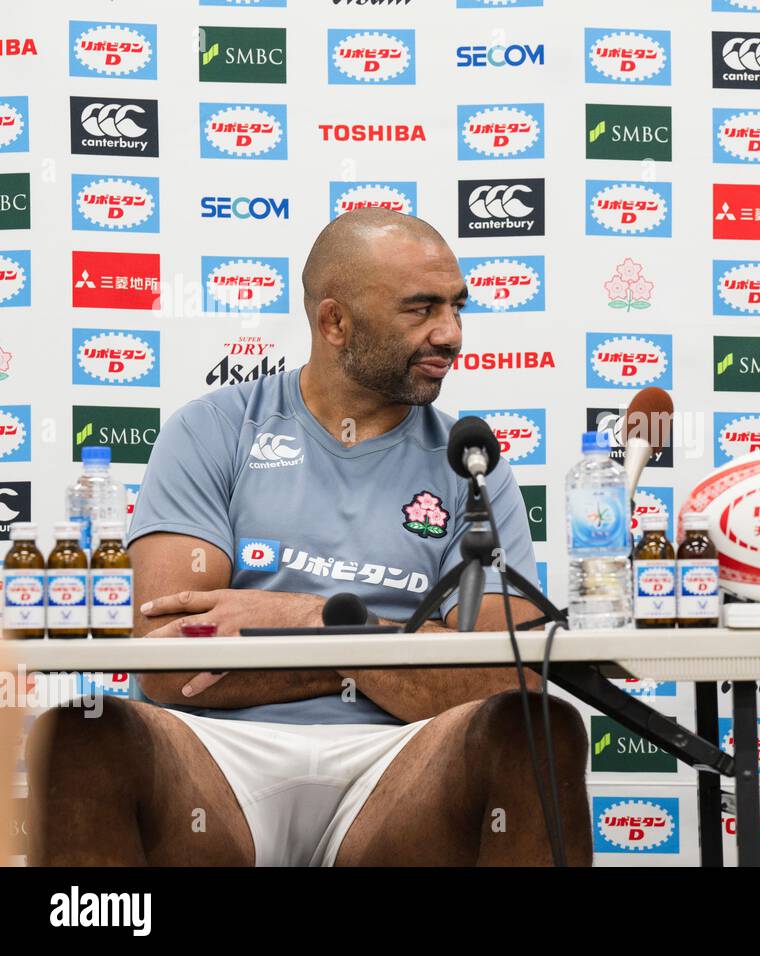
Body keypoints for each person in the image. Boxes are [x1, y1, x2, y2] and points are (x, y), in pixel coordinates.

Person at [29, 208, 591, 866]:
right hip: (218, 759)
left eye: (457, 307)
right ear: (334, 322)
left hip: (402, 763)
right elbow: (171, 666)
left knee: (537, 732)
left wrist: (320, 623)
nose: (451, 333)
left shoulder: (471, 465)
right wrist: (403, 656)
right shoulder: (213, 431)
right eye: (421, 309)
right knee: (80, 734)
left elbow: (505, 678)